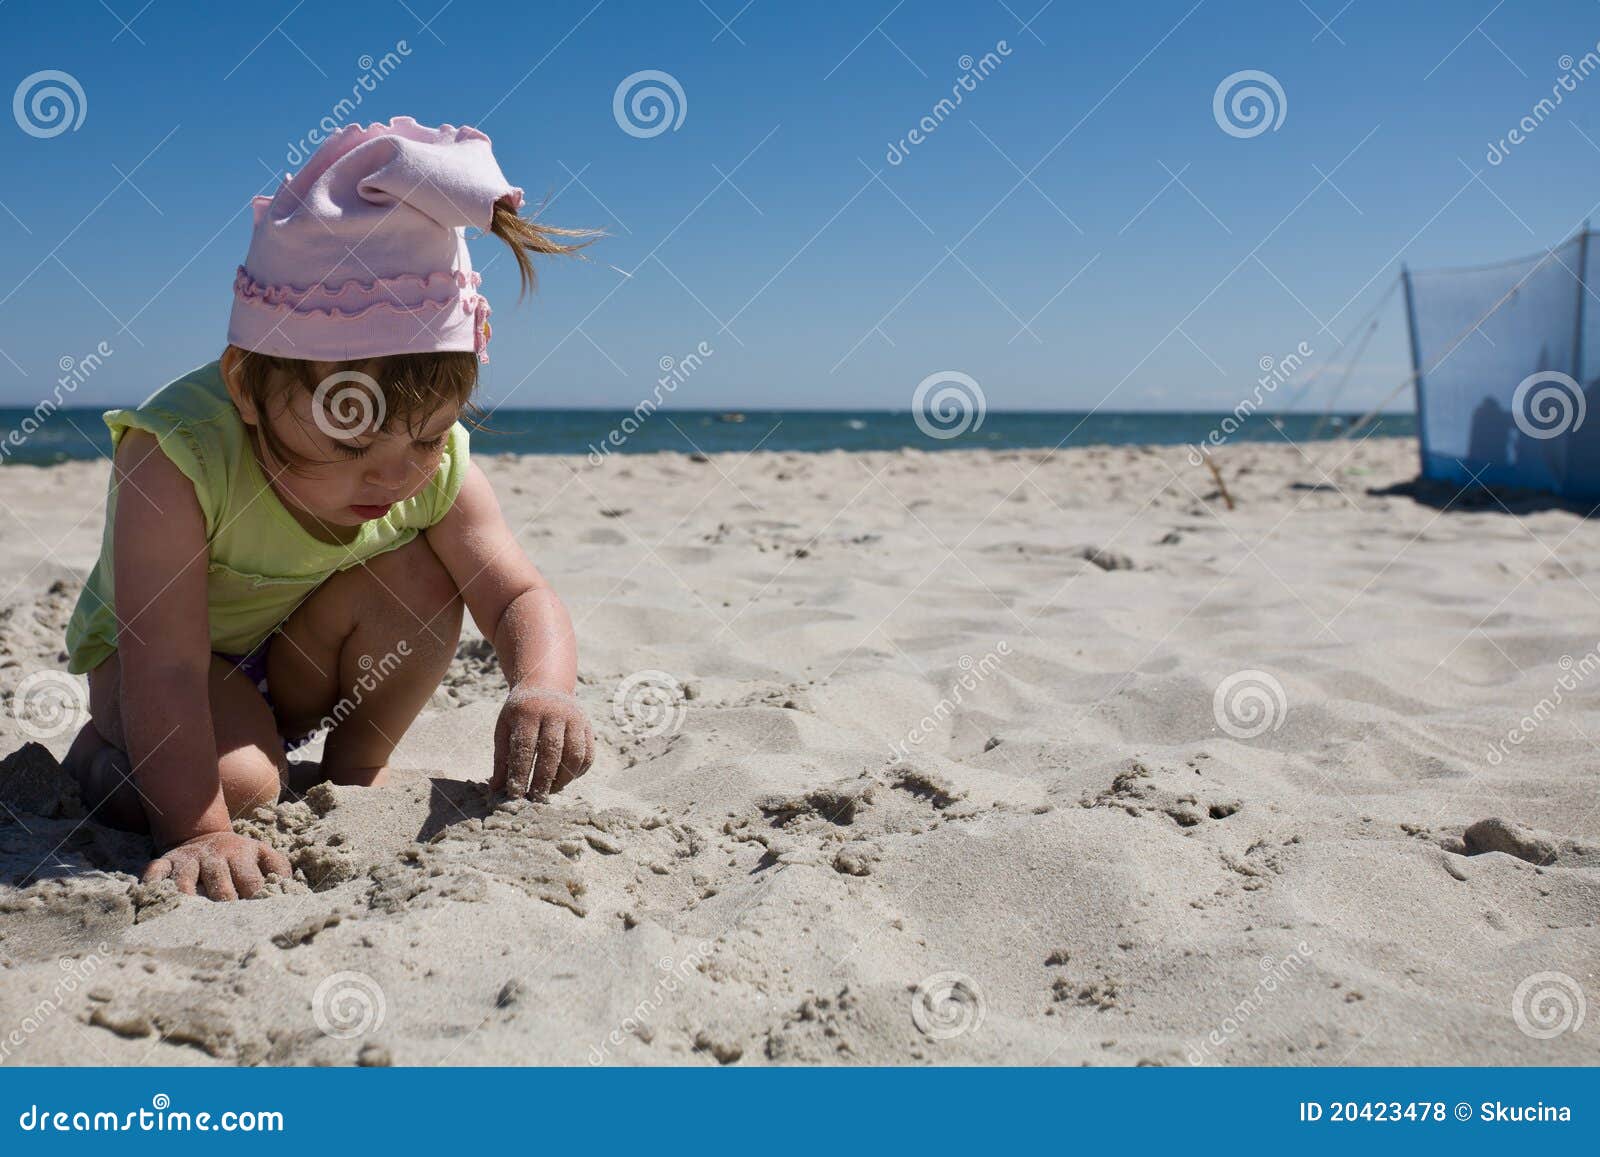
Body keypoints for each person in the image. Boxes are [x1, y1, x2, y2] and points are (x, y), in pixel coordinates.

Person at [60, 116, 600, 902]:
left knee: (423, 573)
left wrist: (544, 687)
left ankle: (352, 770)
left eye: (428, 436)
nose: (397, 474)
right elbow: (167, 664)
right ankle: (104, 761)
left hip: (295, 650)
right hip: (160, 661)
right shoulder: (176, 455)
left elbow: (515, 592)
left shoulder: (428, 462)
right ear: (247, 386)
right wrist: (201, 831)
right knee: (242, 787)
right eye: (351, 445)